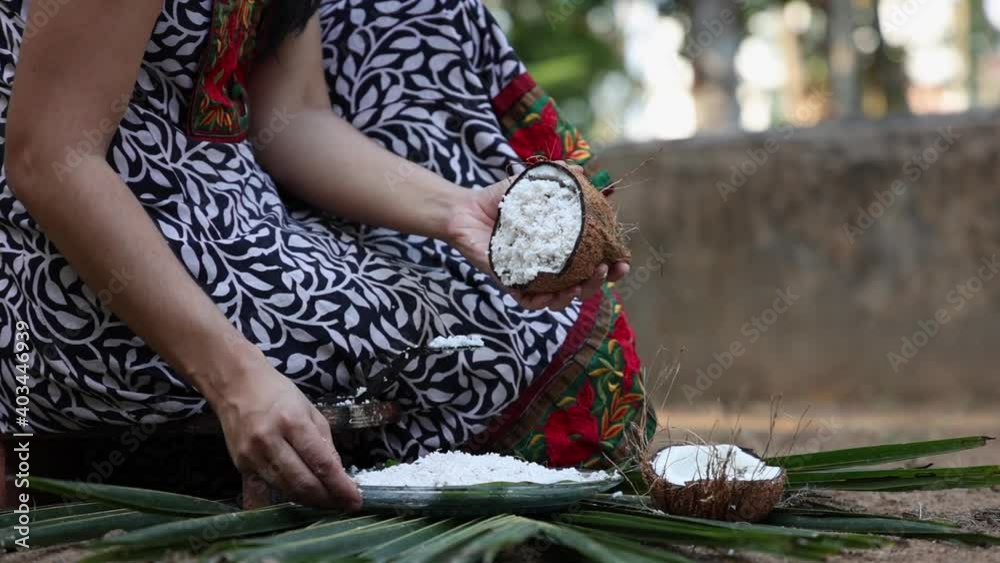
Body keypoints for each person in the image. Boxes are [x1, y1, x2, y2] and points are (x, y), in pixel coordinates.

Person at [0, 0, 655, 509]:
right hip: (74, 252)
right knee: (433, 352)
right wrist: (236, 380)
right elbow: (49, 159)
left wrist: (455, 212)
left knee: (500, 330)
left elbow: (294, 118)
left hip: (233, 208)